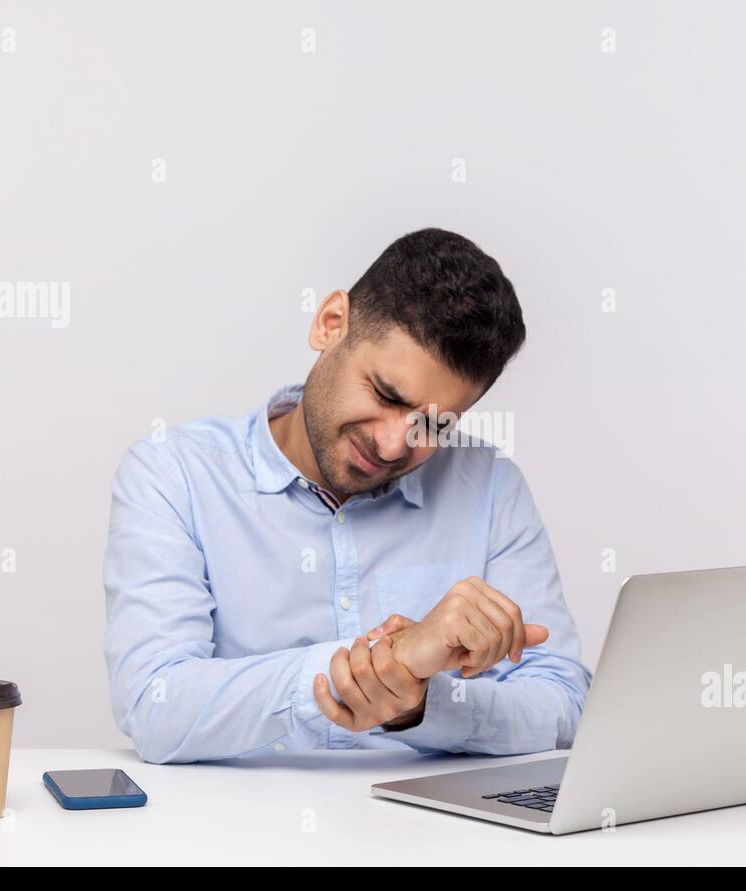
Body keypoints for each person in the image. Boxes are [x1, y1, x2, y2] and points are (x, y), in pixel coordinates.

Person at [103, 227, 592, 763]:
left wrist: (418, 704)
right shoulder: (175, 473)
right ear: (330, 324)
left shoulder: (491, 486)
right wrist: (388, 663)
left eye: (433, 425)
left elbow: (563, 702)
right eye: (384, 394)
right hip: (241, 838)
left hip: (439, 840)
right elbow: (155, 704)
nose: (390, 444)